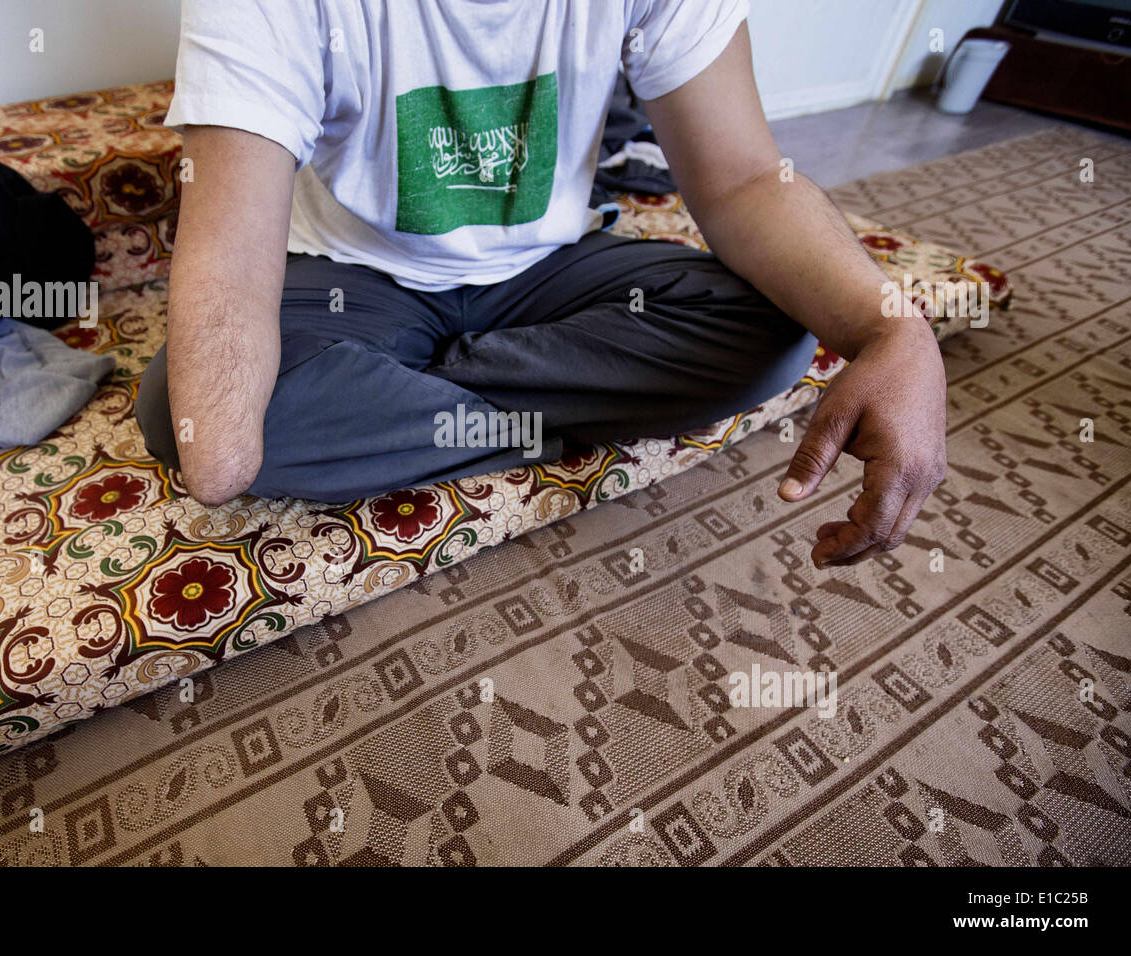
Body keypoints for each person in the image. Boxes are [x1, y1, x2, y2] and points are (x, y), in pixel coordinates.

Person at [136, 0, 948, 570]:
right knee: (196, 413)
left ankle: (413, 394)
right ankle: (545, 409)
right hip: (354, 273)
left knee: (771, 331)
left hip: (548, 267)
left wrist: (894, 330)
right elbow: (230, 269)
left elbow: (745, 181)